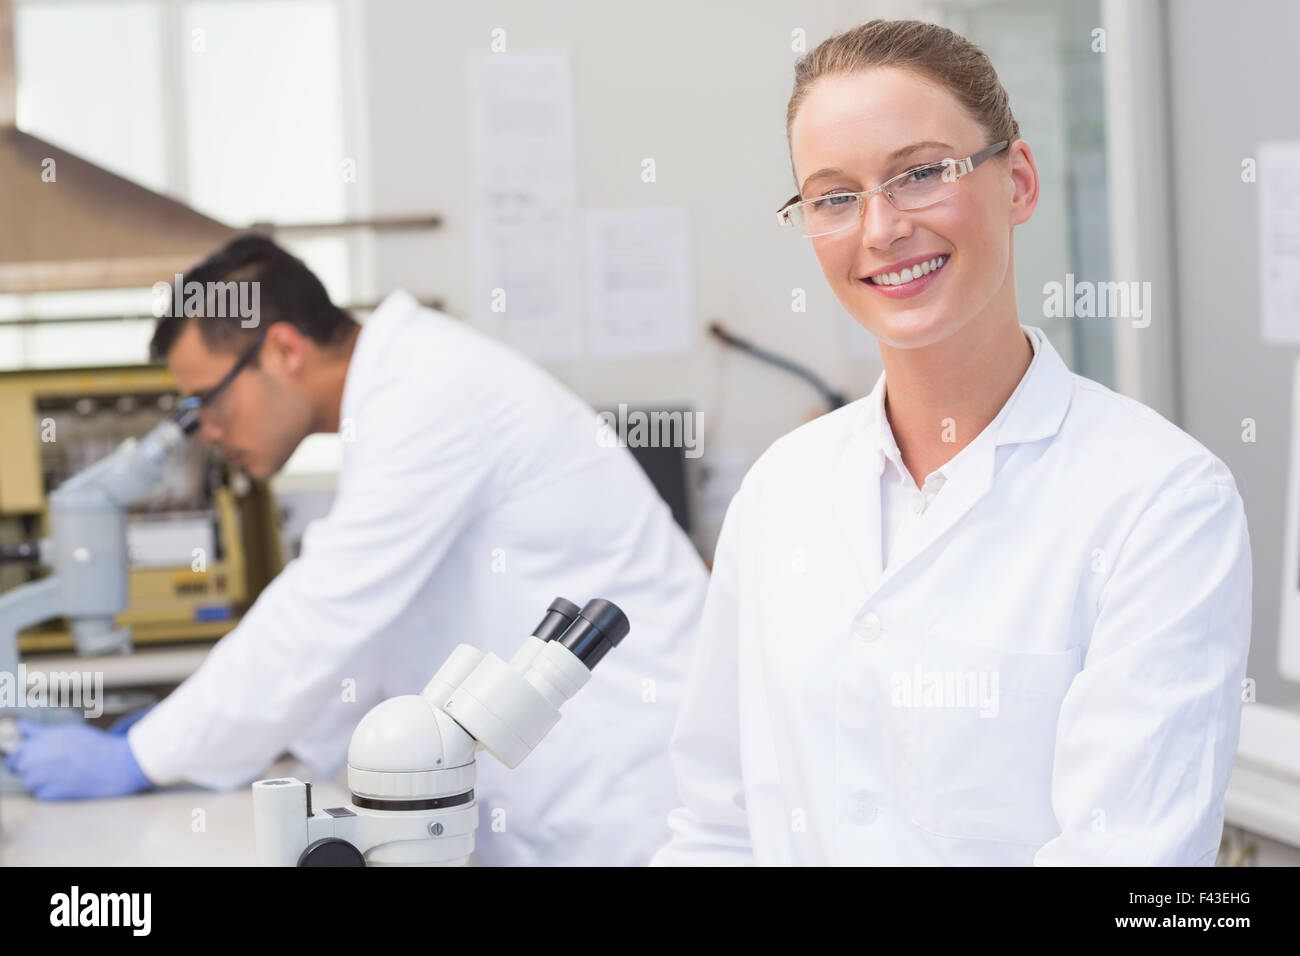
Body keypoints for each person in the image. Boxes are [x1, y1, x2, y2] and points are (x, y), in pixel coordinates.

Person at [651, 19, 1251, 865]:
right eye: (833, 195)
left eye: (922, 173)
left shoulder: (1161, 501)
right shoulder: (783, 491)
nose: (881, 228)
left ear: (1020, 182)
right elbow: (717, 828)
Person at [6, 235, 708, 866]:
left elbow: (322, 614)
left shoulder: (429, 391)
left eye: (206, 404)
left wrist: (141, 754)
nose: (208, 432)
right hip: (549, 789)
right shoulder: (394, 399)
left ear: (283, 349)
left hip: (620, 800)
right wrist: (173, 736)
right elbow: (370, 644)